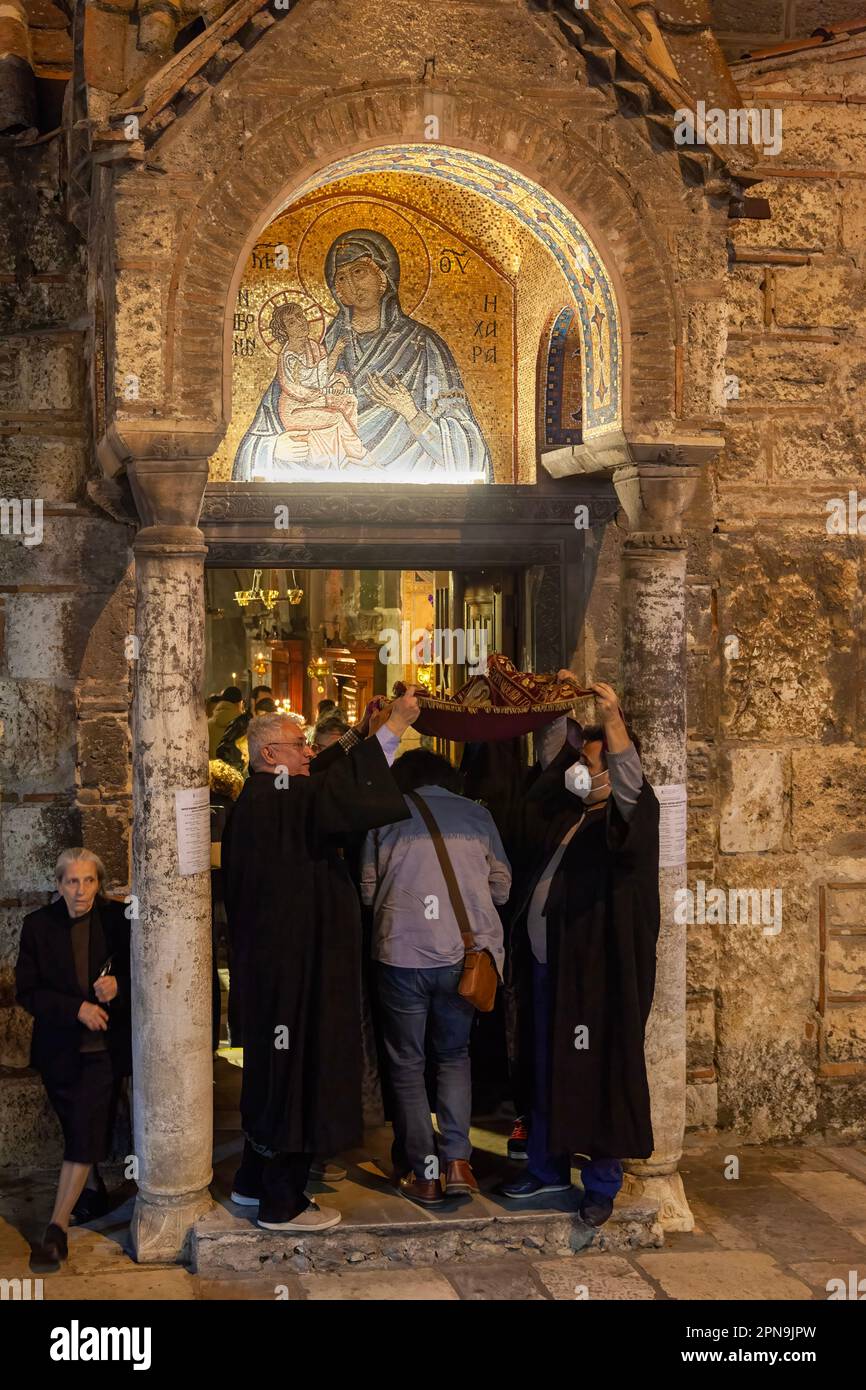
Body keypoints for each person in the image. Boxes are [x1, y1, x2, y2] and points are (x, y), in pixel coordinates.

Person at [221, 690, 421, 1232]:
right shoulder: (286, 799)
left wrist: (360, 730)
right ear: (269, 757)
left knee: (271, 1074)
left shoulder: (267, 795)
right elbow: (346, 799)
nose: (309, 752)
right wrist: (394, 728)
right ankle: (281, 1203)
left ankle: (251, 1182)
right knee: (296, 1075)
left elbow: (327, 776)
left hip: (275, 971)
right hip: (298, 975)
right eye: (299, 745)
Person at [500, 680, 660, 1227]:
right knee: (548, 1069)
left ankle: (600, 1184)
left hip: (599, 981)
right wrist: (557, 715)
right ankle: (545, 1168)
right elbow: (545, 779)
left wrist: (612, 718)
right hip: (552, 972)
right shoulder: (571, 816)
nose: (581, 773)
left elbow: (633, 787)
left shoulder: (629, 822)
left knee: (600, 1075)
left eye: (592, 764)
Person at [360, 749, 511, 1206]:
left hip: (402, 954)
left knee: (406, 1064)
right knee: (454, 1057)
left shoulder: (384, 816)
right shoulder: (476, 816)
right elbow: (502, 887)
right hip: (463, 958)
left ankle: (423, 1173)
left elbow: (368, 889)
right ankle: (459, 1163)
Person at [15, 849, 131, 1266]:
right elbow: (27, 991)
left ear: (99, 884)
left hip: (104, 1052)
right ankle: (93, 1192)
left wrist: (120, 986)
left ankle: (56, 1228)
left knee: (83, 1132)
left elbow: (149, 972)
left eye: (89, 881)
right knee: (76, 1129)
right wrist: (75, 1008)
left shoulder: (119, 920)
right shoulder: (37, 927)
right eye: (72, 881)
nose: (81, 890)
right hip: (59, 1051)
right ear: (59, 883)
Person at [208, 685, 244, 757]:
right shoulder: (244, 724)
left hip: (211, 766)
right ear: (240, 703)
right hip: (237, 767)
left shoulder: (208, 724)